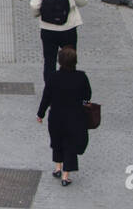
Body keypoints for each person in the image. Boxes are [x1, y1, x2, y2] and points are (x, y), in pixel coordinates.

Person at [36, 46, 92, 186]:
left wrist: (40, 114)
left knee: (57, 142)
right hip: (75, 117)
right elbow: (87, 96)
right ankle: (66, 176)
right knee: (70, 145)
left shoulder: (53, 77)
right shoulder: (81, 77)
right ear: (75, 61)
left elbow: (46, 97)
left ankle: (57, 168)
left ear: (59, 61)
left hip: (56, 117)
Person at [29, 0, 88, 81]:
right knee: (69, 62)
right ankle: (68, 87)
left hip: (47, 28)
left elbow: (34, 5)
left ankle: (50, 90)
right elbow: (83, 2)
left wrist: (38, 15)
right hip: (68, 29)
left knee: (49, 62)